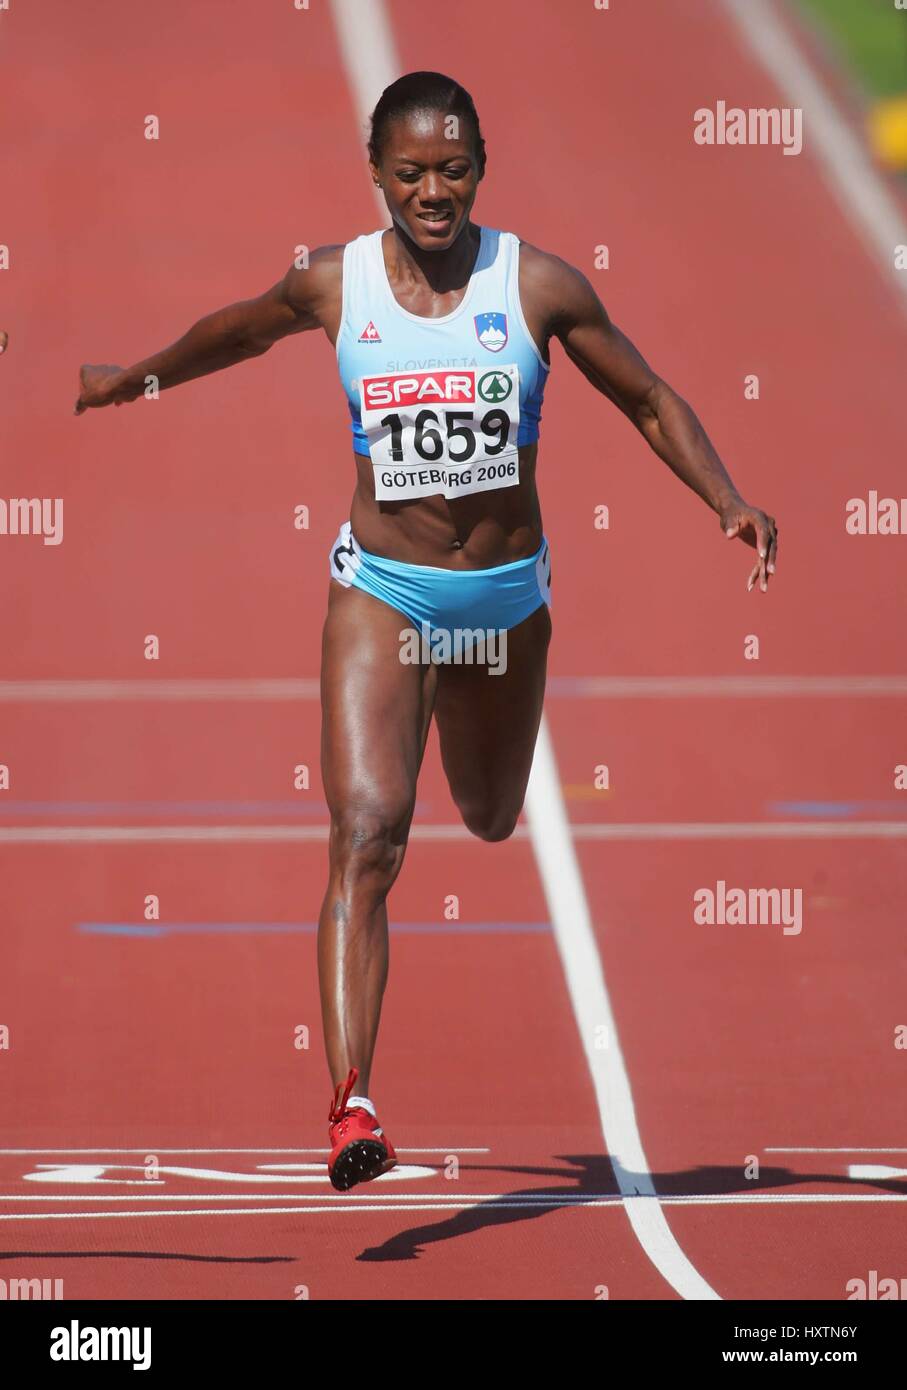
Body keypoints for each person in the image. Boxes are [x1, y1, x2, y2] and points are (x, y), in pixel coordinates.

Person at [75, 70, 778, 1192]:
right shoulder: (330, 283)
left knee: (492, 817)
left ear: (481, 170)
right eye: (410, 172)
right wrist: (132, 382)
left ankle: (450, 704)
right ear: (377, 174)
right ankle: (352, 1103)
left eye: (452, 170)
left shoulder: (537, 284)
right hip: (385, 592)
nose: (432, 191)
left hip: (502, 603)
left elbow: (646, 397)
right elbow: (236, 335)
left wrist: (726, 497)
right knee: (368, 834)